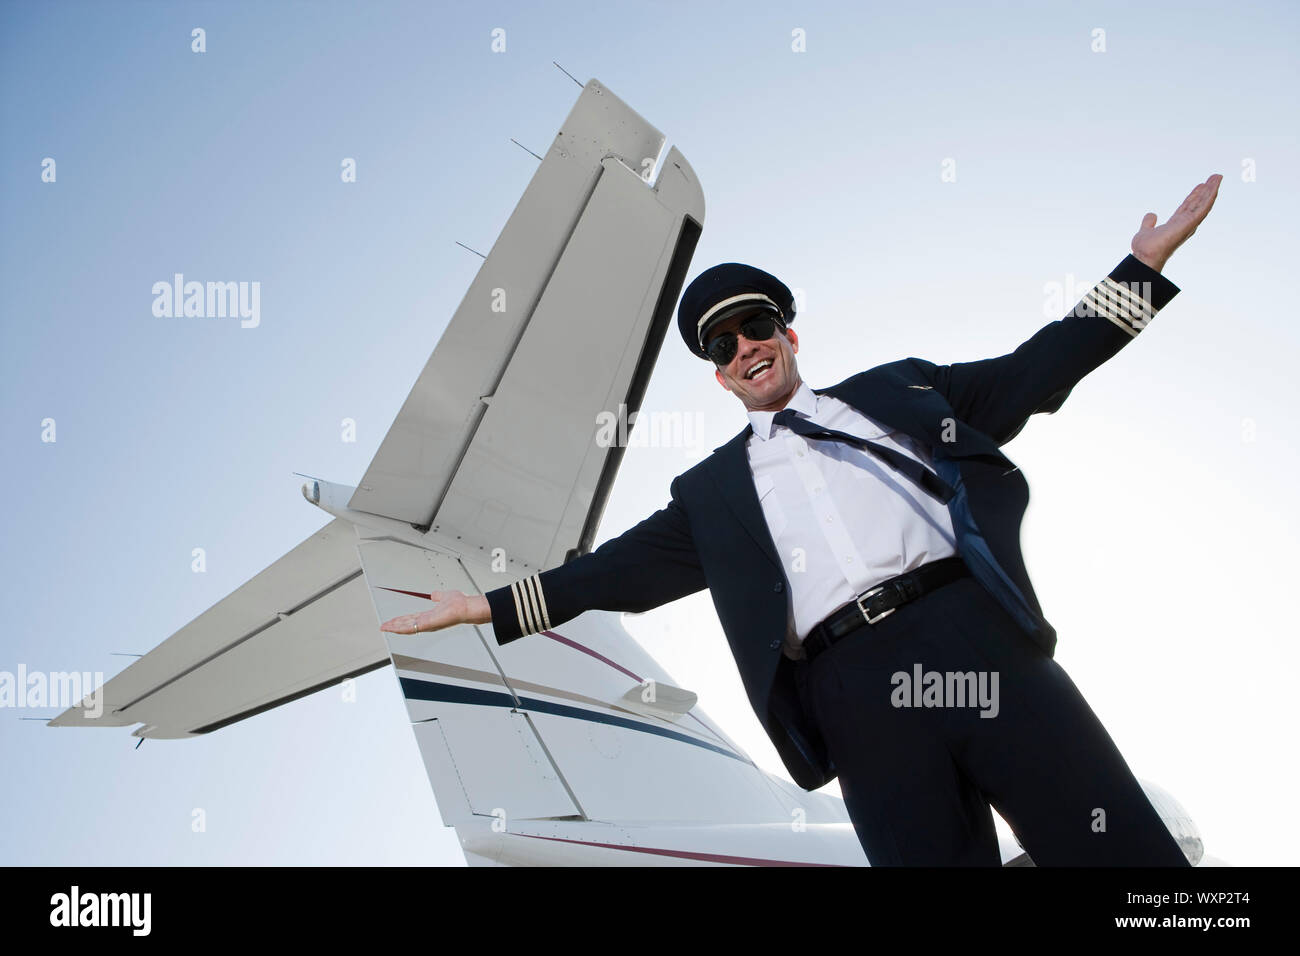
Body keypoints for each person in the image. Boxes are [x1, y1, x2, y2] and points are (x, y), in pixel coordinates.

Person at [381, 174, 1222, 866]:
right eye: (724, 346)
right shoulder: (712, 493)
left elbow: (1029, 373)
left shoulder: (901, 391)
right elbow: (615, 573)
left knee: (1114, 847)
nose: (746, 348)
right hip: (850, 692)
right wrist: (486, 606)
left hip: (970, 634)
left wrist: (1138, 273)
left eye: (756, 326)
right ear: (718, 376)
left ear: (787, 331)